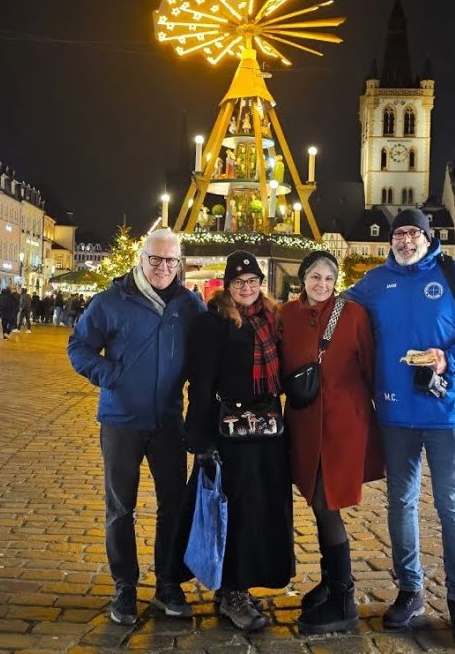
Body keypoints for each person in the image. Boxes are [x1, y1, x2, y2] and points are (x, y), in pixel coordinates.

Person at [346, 208, 455, 647]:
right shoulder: (375, 282)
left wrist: (449, 357)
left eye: (414, 233)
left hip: (447, 412)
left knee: (452, 506)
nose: (406, 241)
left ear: (428, 238)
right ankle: (410, 590)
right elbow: (334, 312)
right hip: (394, 413)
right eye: (399, 234)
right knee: (400, 503)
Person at [68, 228, 206, 625]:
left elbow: (207, 349)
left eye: (170, 261)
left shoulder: (189, 304)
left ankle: (167, 583)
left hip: (167, 420)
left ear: (179, 263)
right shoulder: (112, 301)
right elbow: (78, 347)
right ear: (141, 258)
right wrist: (109, 375)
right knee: (120, 507)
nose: (163, 268)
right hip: (121, 420)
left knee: (173, 506)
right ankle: (124, 586)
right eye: (155, 259)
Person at [178, 250, 295, 632]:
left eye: (253, 281)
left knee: (261, 509)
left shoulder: (271, 319)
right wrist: (198, 435)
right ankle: (232, 590)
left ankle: (243, 582)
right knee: (234, 512)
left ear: (261, 284)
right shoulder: (213, 325)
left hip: (267, 432)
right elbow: (202, 382)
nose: (246, 288)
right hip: (229, 432)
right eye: (239, 282)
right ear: (228, 287)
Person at [279, 251, 384, 634]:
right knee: (316, 499)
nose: (321, 284)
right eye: (314, 276)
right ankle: (329, 582)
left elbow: (371, 367)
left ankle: (343, 597)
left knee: (327, 502)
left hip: (343, 425)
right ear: (303, 278)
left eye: (328, 277)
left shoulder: (353, 315)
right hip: (305, 423)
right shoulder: (287, 315)